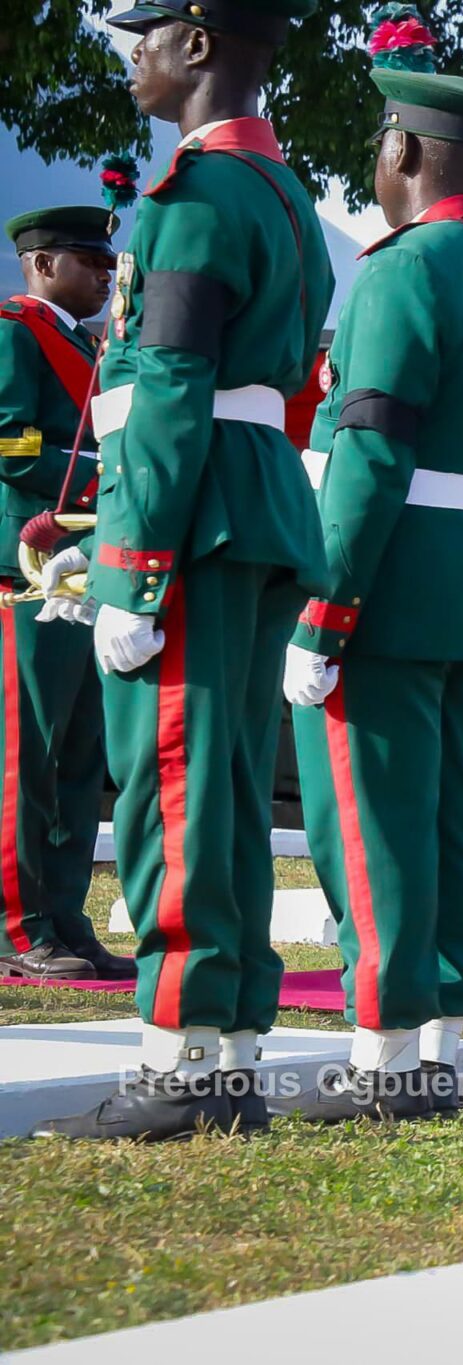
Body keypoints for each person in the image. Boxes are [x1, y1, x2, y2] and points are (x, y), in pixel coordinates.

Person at [38, 0, 336, 1141]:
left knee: (176, 794)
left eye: (145, 38)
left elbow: (165, 386)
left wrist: (133, 565)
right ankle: (227, 1050)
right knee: (217, 799)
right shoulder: (280, 189)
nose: (134, 61)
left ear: (200, 45)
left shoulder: (198, 196)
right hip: (247, 502)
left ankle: (184, 1068)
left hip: (192, 520)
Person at [287, 46, 463, 1120]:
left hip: (393, 577)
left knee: (371, 816)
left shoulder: (403, 269)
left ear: (402, 147)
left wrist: (325, 606)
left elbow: (369, 454)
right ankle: (438, 1036)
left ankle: (385, 1053)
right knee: (452, 815)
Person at [0, 206, 127, 983]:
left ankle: (67, 916)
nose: (106, 276)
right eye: (89, 262)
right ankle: (18, 921)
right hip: (27, 568)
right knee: (25, 755)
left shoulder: (90, 345)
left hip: (82, 569)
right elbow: (12, 446)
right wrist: (109, 477)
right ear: (42, 265)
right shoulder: (14, 331)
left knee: (80, 755)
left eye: (109, 264)